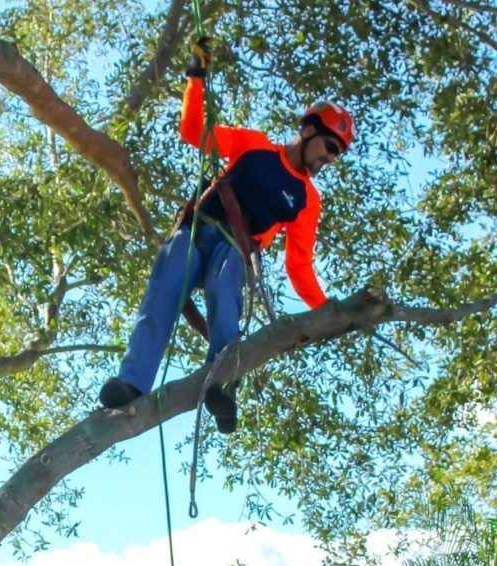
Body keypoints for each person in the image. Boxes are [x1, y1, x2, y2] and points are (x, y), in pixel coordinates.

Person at [98, 38, 353, 433]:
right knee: (162, 293)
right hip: (198, 231)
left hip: (235, 250)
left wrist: (329, 311)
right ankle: (131, 383)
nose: (330, 157)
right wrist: (196, 77)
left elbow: (299, 265)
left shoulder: (307, 199)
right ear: (307, 130)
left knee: (227, 287)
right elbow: (194, 131)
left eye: (338, 154)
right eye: (330, 145)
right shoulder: (253, 147)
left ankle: (221, 382)